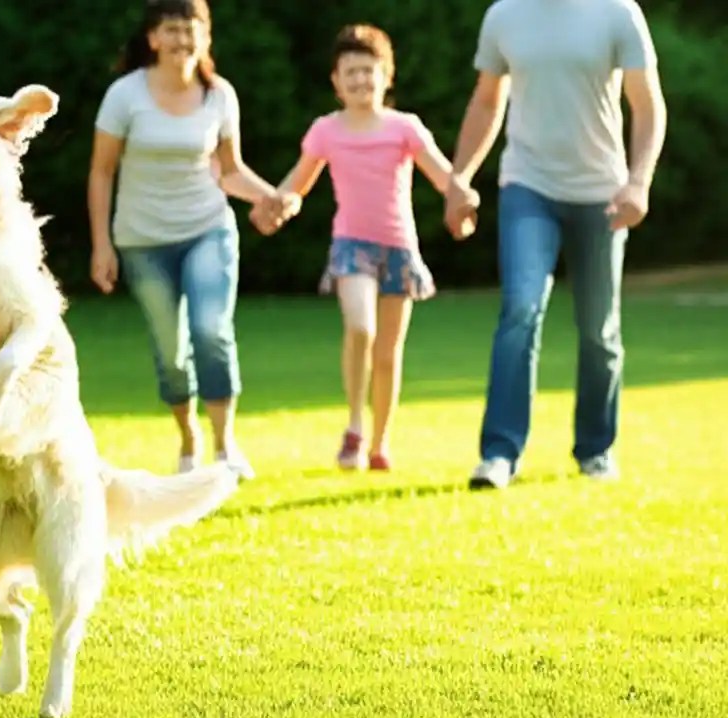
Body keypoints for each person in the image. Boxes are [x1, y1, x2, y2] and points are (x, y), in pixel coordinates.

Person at [444, 0, 667, 489]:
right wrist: (459, 178)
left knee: (598, 328)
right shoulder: (504, 14)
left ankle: (596, 449)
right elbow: (486, 100)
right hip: (528, 185)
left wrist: (638, 182)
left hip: (601, 193)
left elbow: (647, 104)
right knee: (520, 308)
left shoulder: (618, 13)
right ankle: (499, 453)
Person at [86, 0, 287, 479]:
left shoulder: (219, 95)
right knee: (171, 348)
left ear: (207, 38)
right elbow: (101, 171)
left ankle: (224, 446)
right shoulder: (124, 95)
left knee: (211, 329)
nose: (182, 40)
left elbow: (231, 172)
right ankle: (188, 438)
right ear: (153, 39)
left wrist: (272, 198)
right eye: (172, 30)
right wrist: (101, 245)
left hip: (207, 229)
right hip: (142, 239)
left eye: (192, 30)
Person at [254, 24, 465, 472]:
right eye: (350, 73)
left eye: (369, 72)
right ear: (336, 81)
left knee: (388, 353)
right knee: (361, 329)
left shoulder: (404, 128)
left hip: (400, 249)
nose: (360, 82)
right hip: (351, 247)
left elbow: (445, 178)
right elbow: (297, 185)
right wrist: (277, 206)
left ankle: (381, 442)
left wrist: (464, 200)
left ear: (387, 76)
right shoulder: (326, 131)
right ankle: (354, 425)